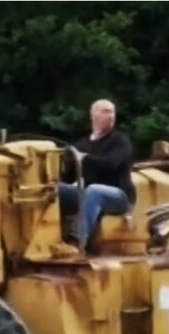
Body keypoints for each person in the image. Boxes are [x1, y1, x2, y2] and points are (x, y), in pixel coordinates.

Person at [56, 99, 136, 254]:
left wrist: (85, 158)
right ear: (93, 116)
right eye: (105, 111)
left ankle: (77, 240)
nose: (111, 116)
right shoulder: (80, 145)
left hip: (119, 196)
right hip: (87, 193)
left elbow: (112, 163)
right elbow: (68, 177)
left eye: (112, 112)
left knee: (94, 190)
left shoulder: (120, 141)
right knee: (54, 190)